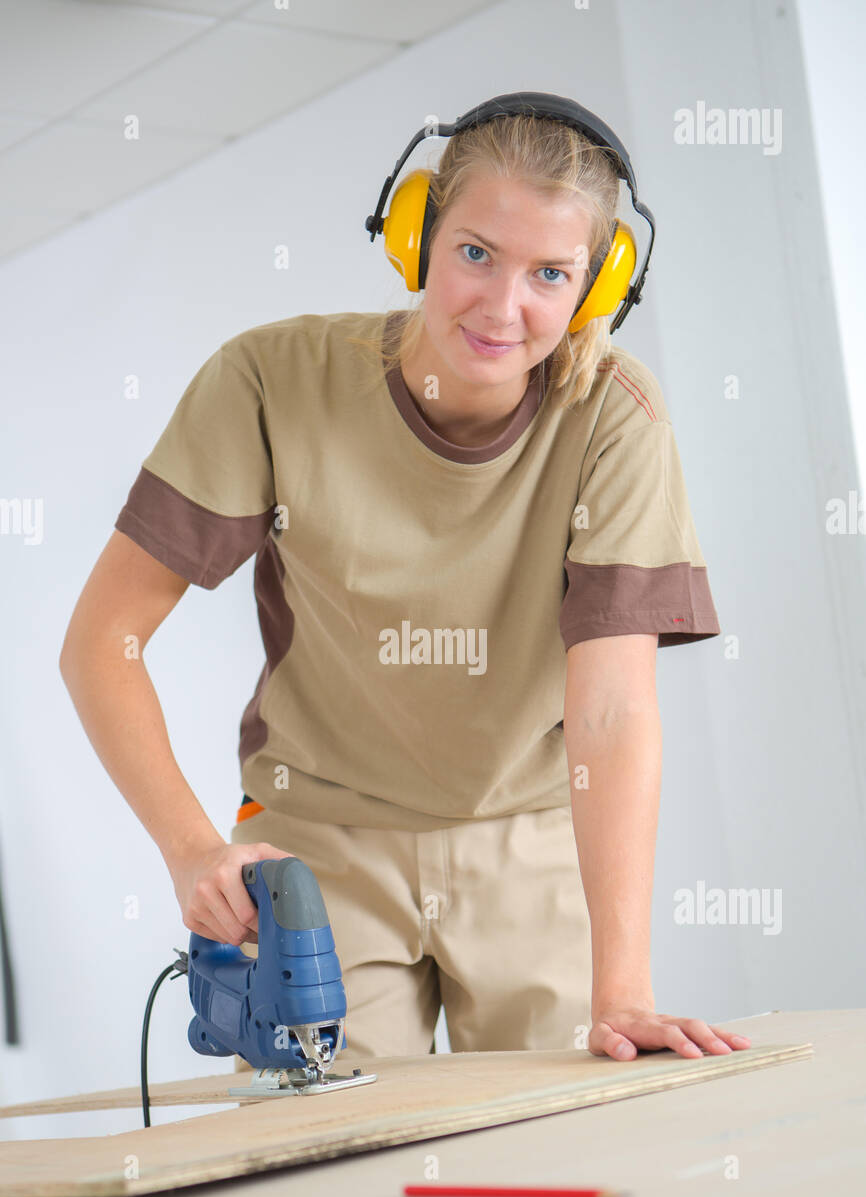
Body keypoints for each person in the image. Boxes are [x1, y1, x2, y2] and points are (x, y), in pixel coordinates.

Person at [59, 98, 751, 1071]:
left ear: (595, 290)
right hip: (319, 838)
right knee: (329, 1175)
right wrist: (189, 850)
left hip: (527, 837)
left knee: (556, 1163)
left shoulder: (613, 418)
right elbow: (103, 639)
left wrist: (623, 985)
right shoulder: (269, 381)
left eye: (548, 273)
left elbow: (609, 711)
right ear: (415, 231)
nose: (501, 307)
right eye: (475, 252)